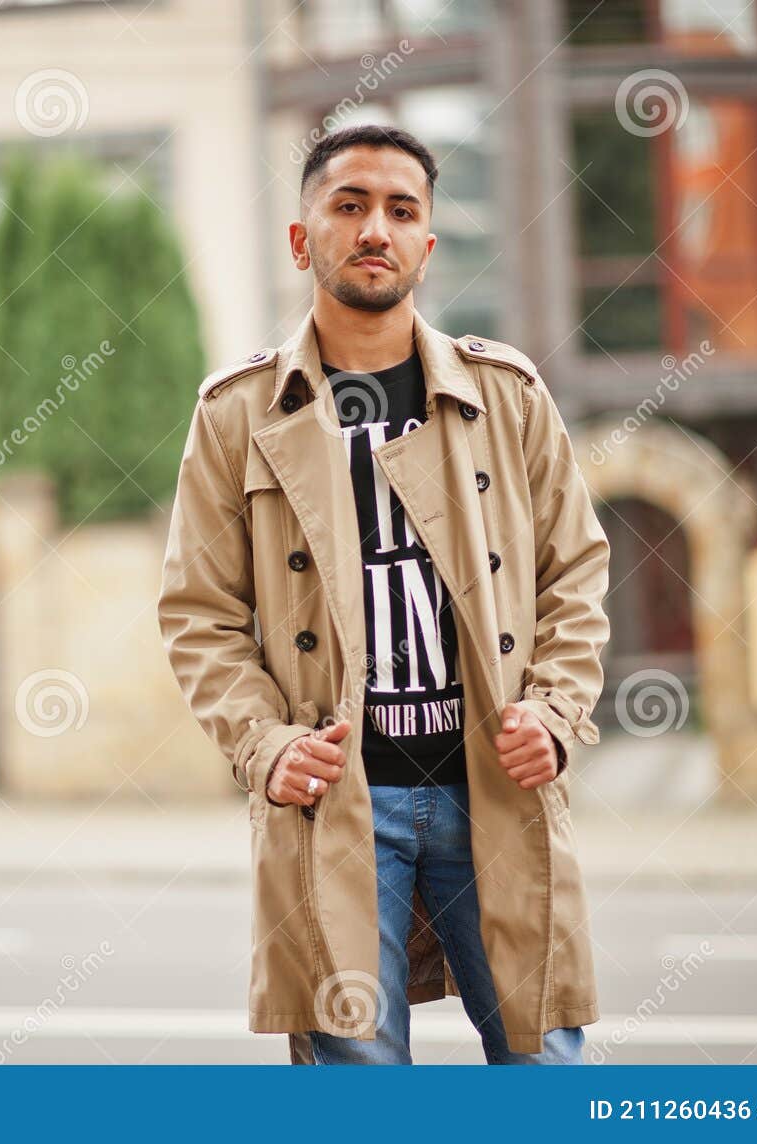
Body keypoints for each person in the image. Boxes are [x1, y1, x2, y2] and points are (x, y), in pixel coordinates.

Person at [157, 124, 612, 1064]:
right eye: (350, 205)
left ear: (426, 245)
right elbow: (199, 612)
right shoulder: (238, 412)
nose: (376, 229)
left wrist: (556, 710)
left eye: (402, 211)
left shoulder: (506, 393)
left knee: (543, 1065)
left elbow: (574, 571)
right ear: (301, 239)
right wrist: (264, 744)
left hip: (494, 788)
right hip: (338, 805)